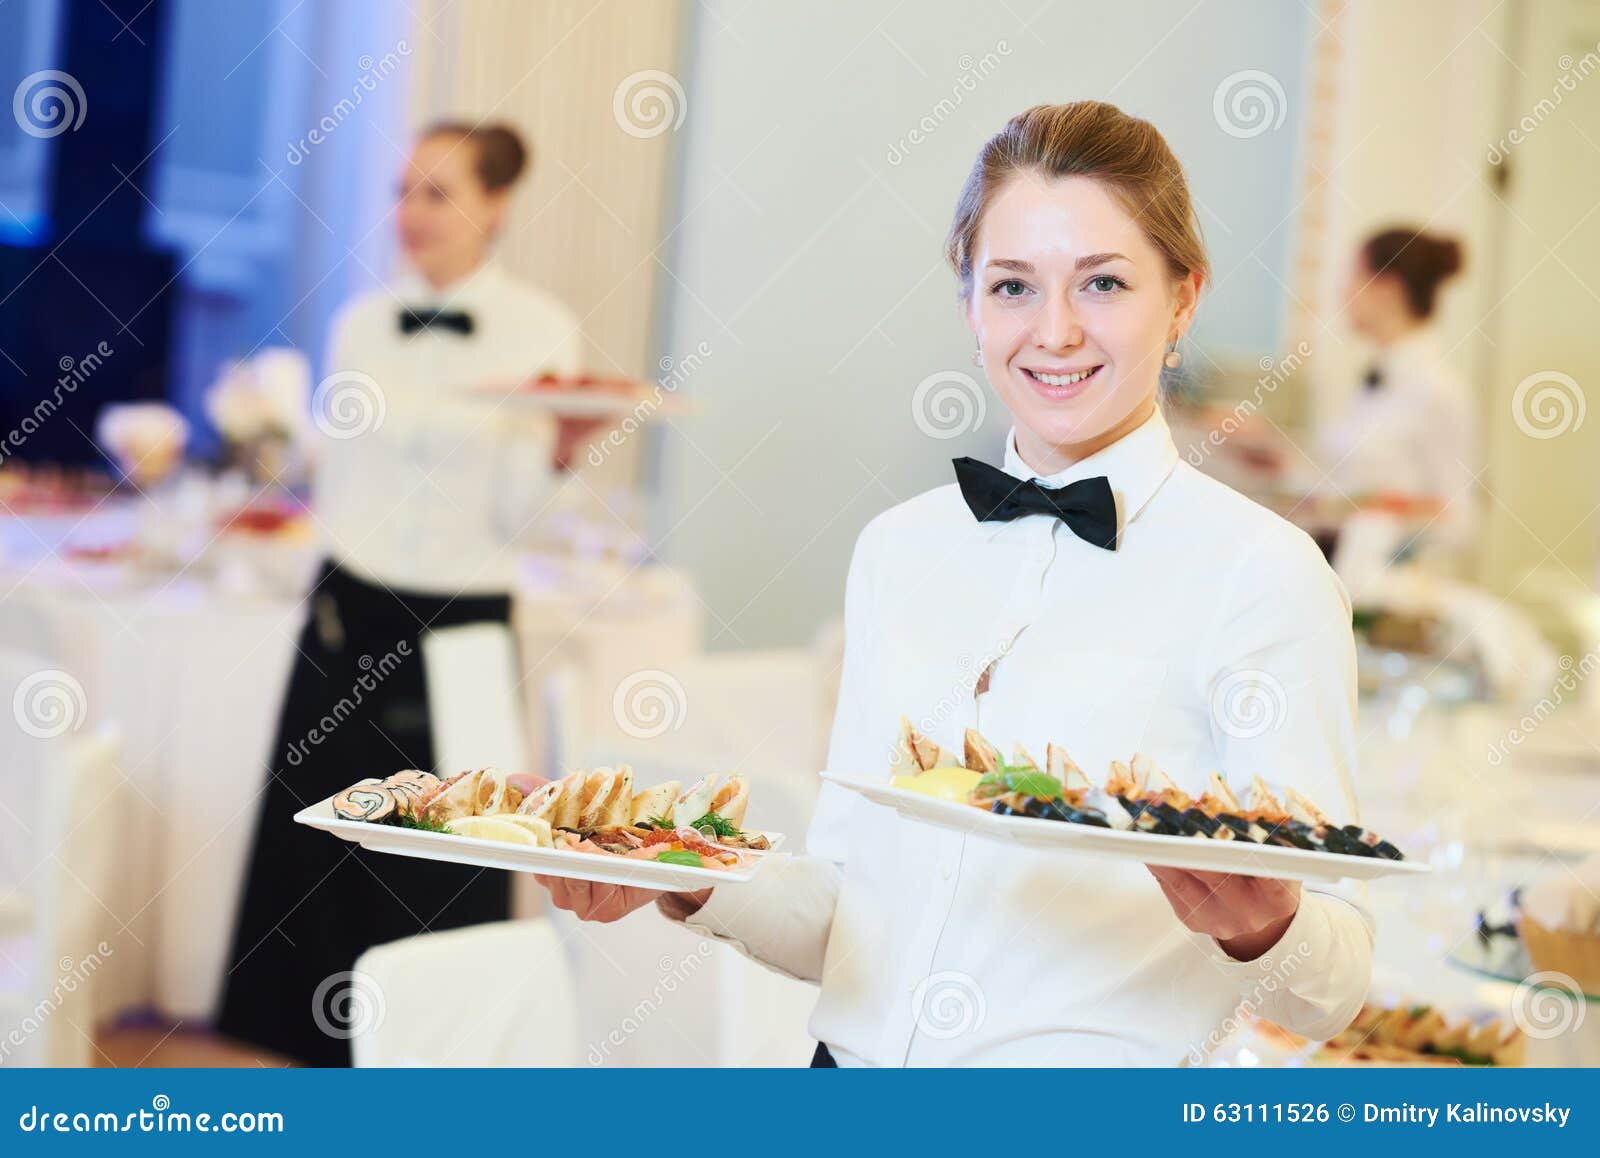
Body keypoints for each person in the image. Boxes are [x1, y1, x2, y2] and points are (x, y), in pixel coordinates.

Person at [536, 102, 1374, 1066]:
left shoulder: (1262, 574)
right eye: (1013, 286)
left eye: (1103, 282)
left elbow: (1336, 986)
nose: (1054, 332)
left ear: (1182, 301)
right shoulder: (898, 549)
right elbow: (844, 916)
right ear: (970, 302)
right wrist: (668, 870)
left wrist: (1264, 927)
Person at [219, 121, 581, 1065]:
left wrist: (564, 453)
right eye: (403, 190)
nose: (409, 214)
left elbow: (522, 517)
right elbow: (337, 482)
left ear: (495, 206)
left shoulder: (541, 330)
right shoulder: (359, 323)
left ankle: (444, 1055)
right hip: (349, 606)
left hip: (465, 613)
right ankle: (297, 1049)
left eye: (438, 193)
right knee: (322, 837)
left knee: (455, 843)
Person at [1314, 227, 1477, 564]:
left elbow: (1459, 520)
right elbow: (1348, 482)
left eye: (1356, 275)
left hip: (1391, 585)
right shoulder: (1375, 380)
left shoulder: (1440, 391)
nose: (1344, 292)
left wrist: (1387, 522)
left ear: (1389, 288)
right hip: (1342, 567)